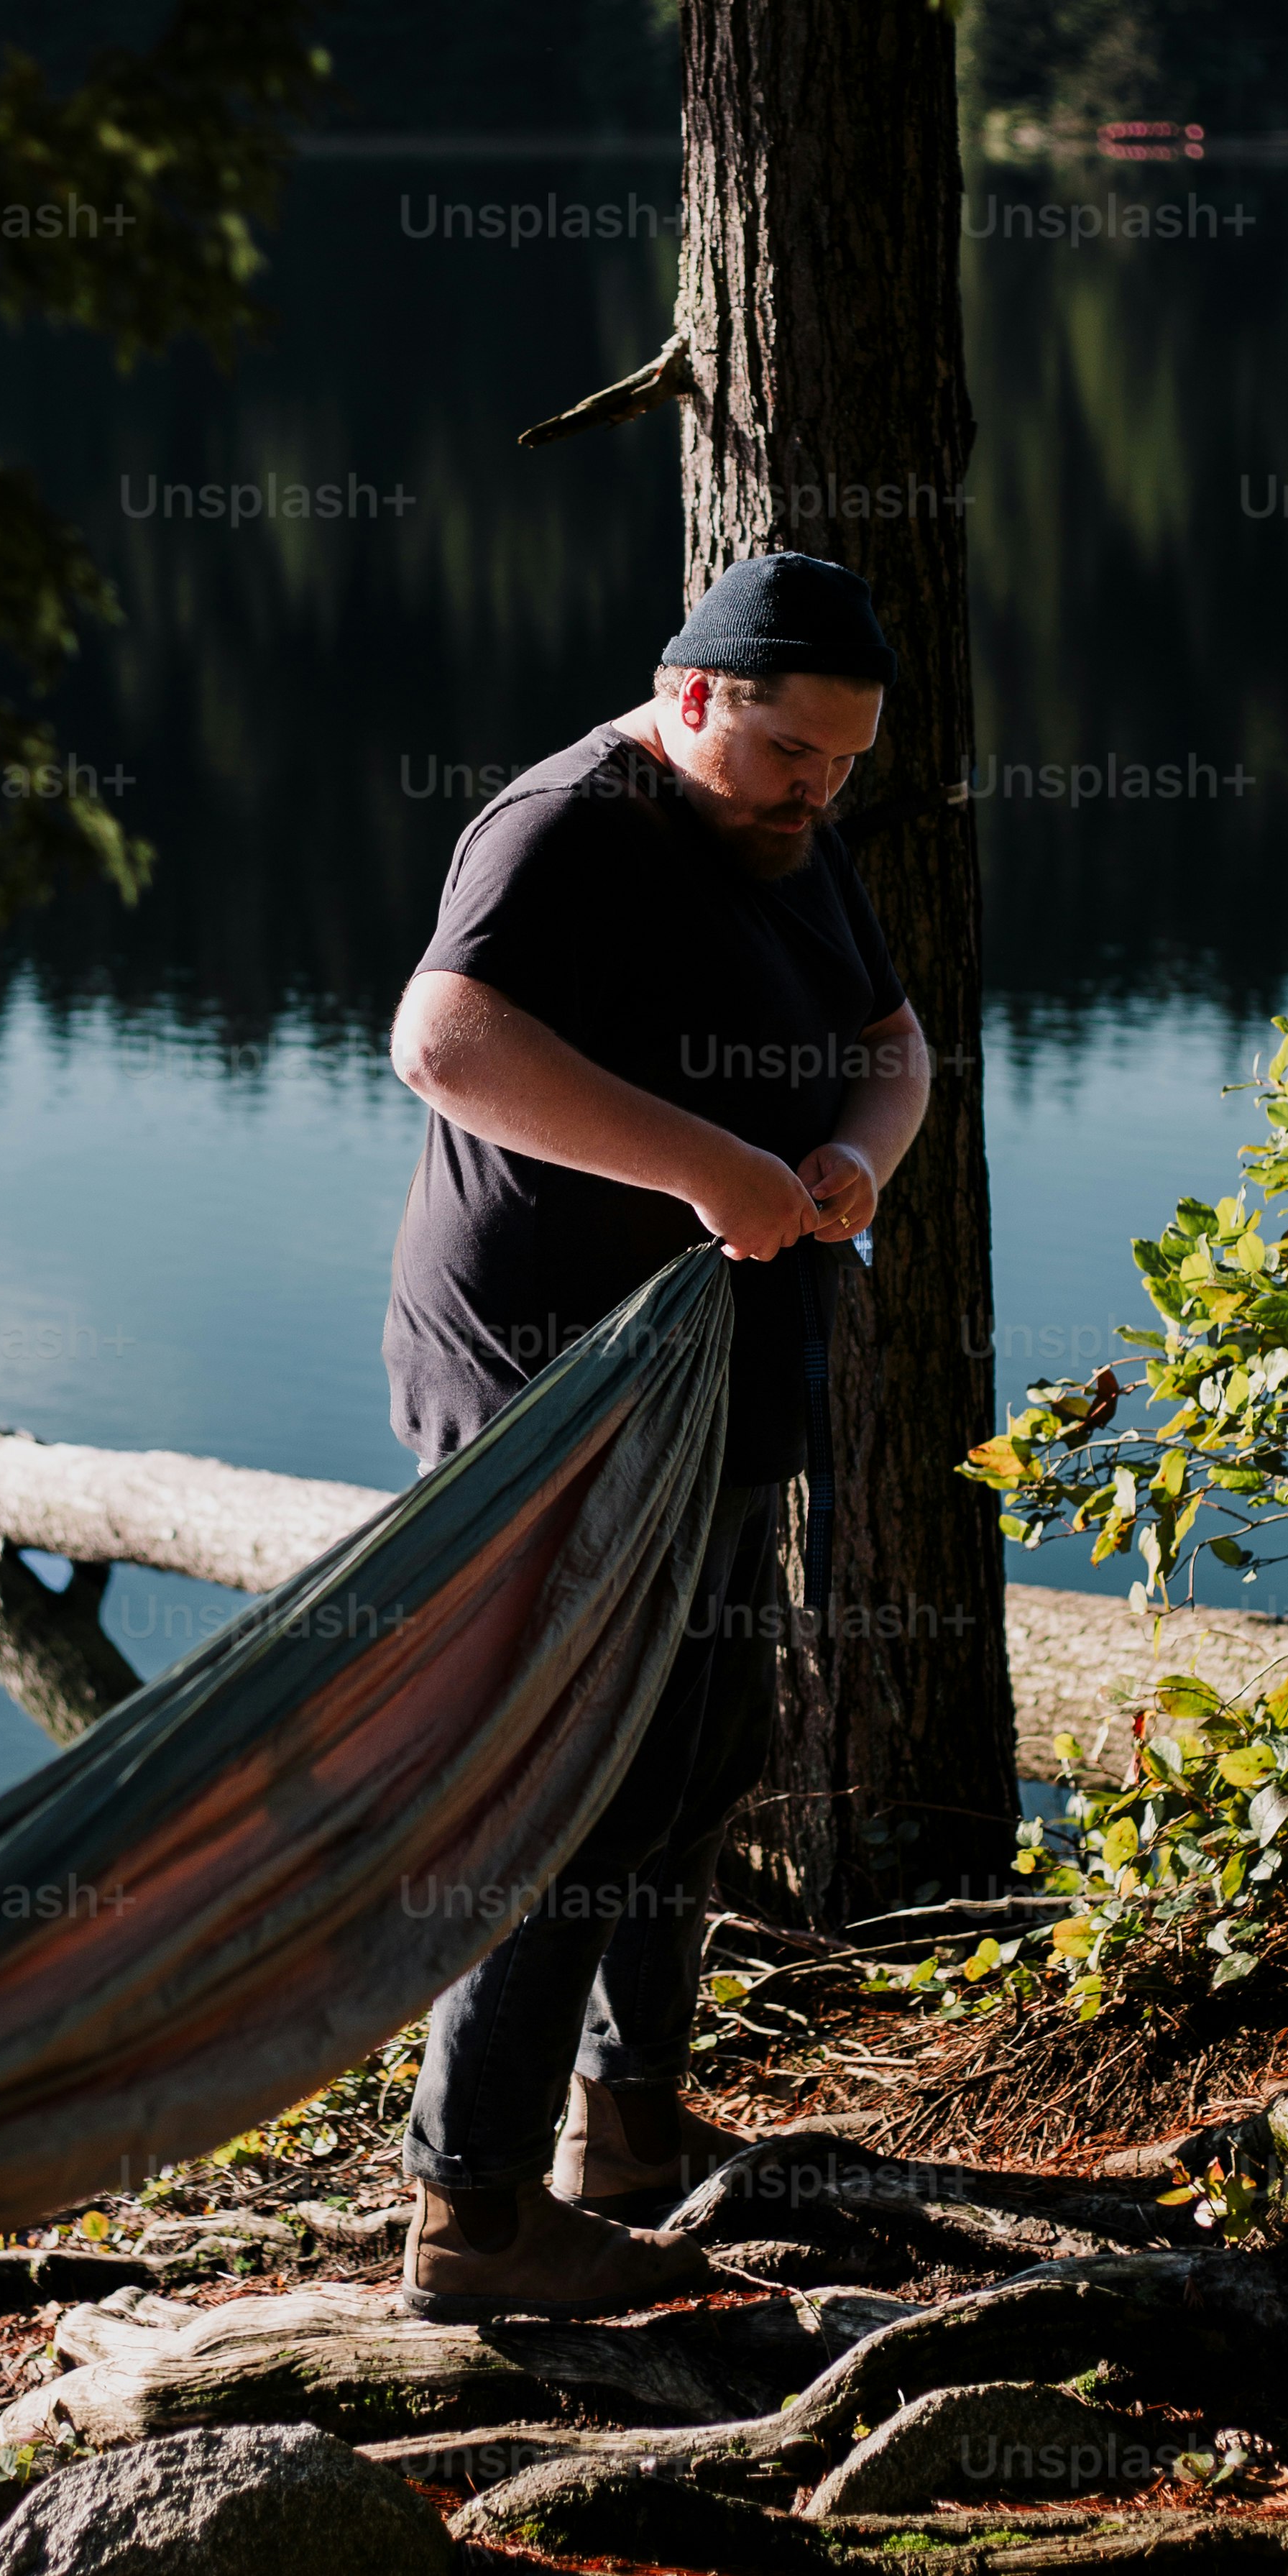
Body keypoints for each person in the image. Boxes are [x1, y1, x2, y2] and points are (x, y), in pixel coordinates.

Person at [382, 550, 932, 2319]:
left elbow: (894, 1040)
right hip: (551, 1373)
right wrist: (708, 1164)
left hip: (715, 1356)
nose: (818, 788)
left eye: (845, 762)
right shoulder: (567, 825)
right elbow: (443, 1041)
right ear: (689, 694)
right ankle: (469, 2216)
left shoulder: (786, 824)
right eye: (791, 752)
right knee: (574, 1774)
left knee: (697, 1748)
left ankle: (624, 2132)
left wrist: (858, 1152)